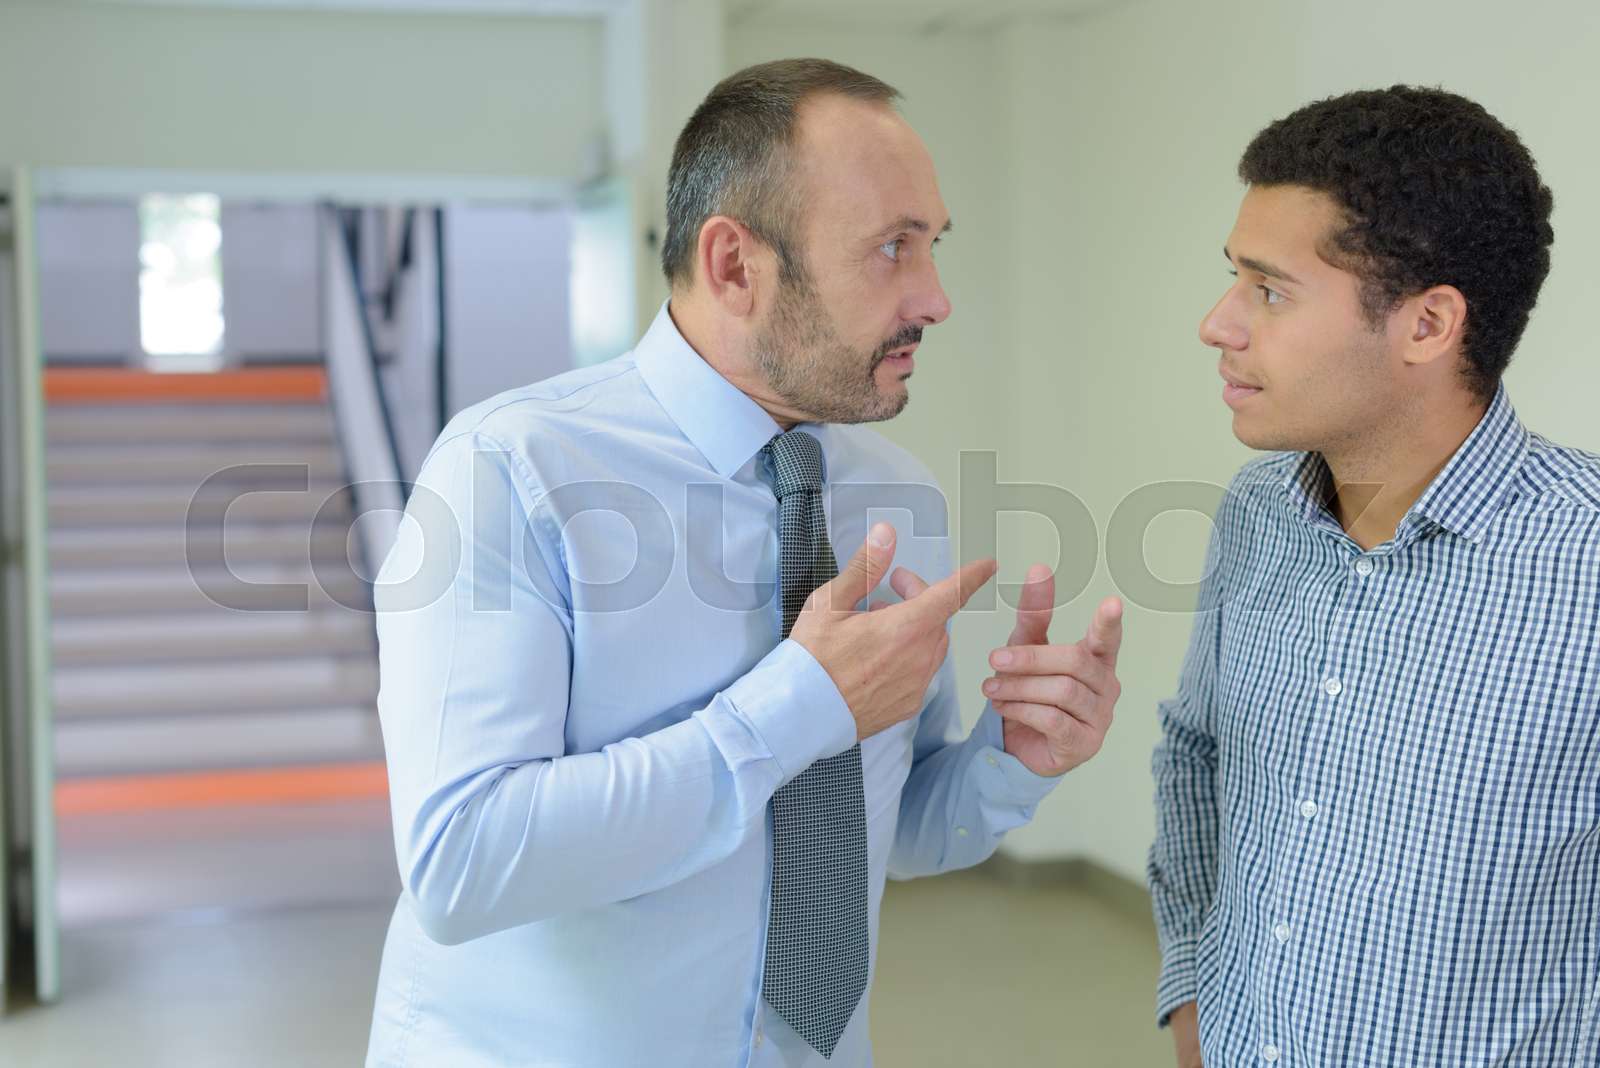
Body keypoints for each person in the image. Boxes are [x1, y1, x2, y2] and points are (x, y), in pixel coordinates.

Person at [365, 58, 1124, 1067]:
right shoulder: (510, 472)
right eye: (892, 249)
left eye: (933, 246)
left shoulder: (891, 494)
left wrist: (1006, 763)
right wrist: (798, 704)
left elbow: (878, 830)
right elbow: (463, 865)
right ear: (734, 266)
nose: (935, 298)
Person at [1150, 85, 1600, 1067]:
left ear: (1427, 326)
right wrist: (1191, 991)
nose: (1217, 324)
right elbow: (1192, 758)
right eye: (1232, 278)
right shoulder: (1257, 513)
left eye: (1268, 290)